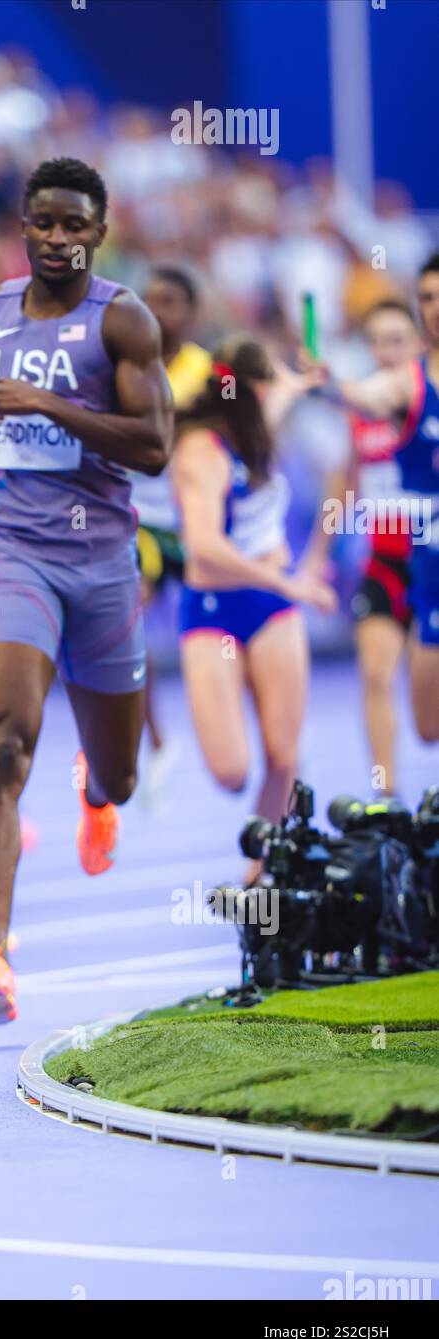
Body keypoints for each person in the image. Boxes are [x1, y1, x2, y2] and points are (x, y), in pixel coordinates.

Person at [0, 157, 174, 1025]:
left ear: (98, 230)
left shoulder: (122, 319)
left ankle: (96, 792)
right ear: (24, 226)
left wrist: (55, 408)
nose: (57, 239)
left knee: (123, 776)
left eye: (73, 226)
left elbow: (155, 445)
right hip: (15, 556)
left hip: (102, 563)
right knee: (4, 743)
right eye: (42, 224)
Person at [170, 336, 336, 879]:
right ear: (243, 393)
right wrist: (290, 581)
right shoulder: (201, 452)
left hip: (271, 607)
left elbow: (289, 386)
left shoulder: (260, 416)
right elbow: (205, 547)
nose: (274, 398)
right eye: (266, 388)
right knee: (232, 770)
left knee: (284, 757)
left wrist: (309, 375)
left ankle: (258, 872)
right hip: (216, 606)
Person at [301, 252, 439, 746]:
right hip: (389, 559)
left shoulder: (416, 392)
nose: (385, 350)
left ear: (416, 342)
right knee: (379, 679)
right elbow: (344, 488)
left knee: (429, 723)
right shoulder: (375, 406)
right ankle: (387, 798)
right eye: (376, 342)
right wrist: (317, 557)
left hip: (430, 555)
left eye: (395, 341)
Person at [132, 266, 212, 806]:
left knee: (224, 632)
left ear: (191, 312)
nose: (159, 312)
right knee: (122, 630)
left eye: (171, 302)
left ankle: (228, 728)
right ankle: (153, 744)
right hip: (139, 523)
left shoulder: (209, 372)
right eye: (151, 301)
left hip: (196, 521)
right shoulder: (123, 367)